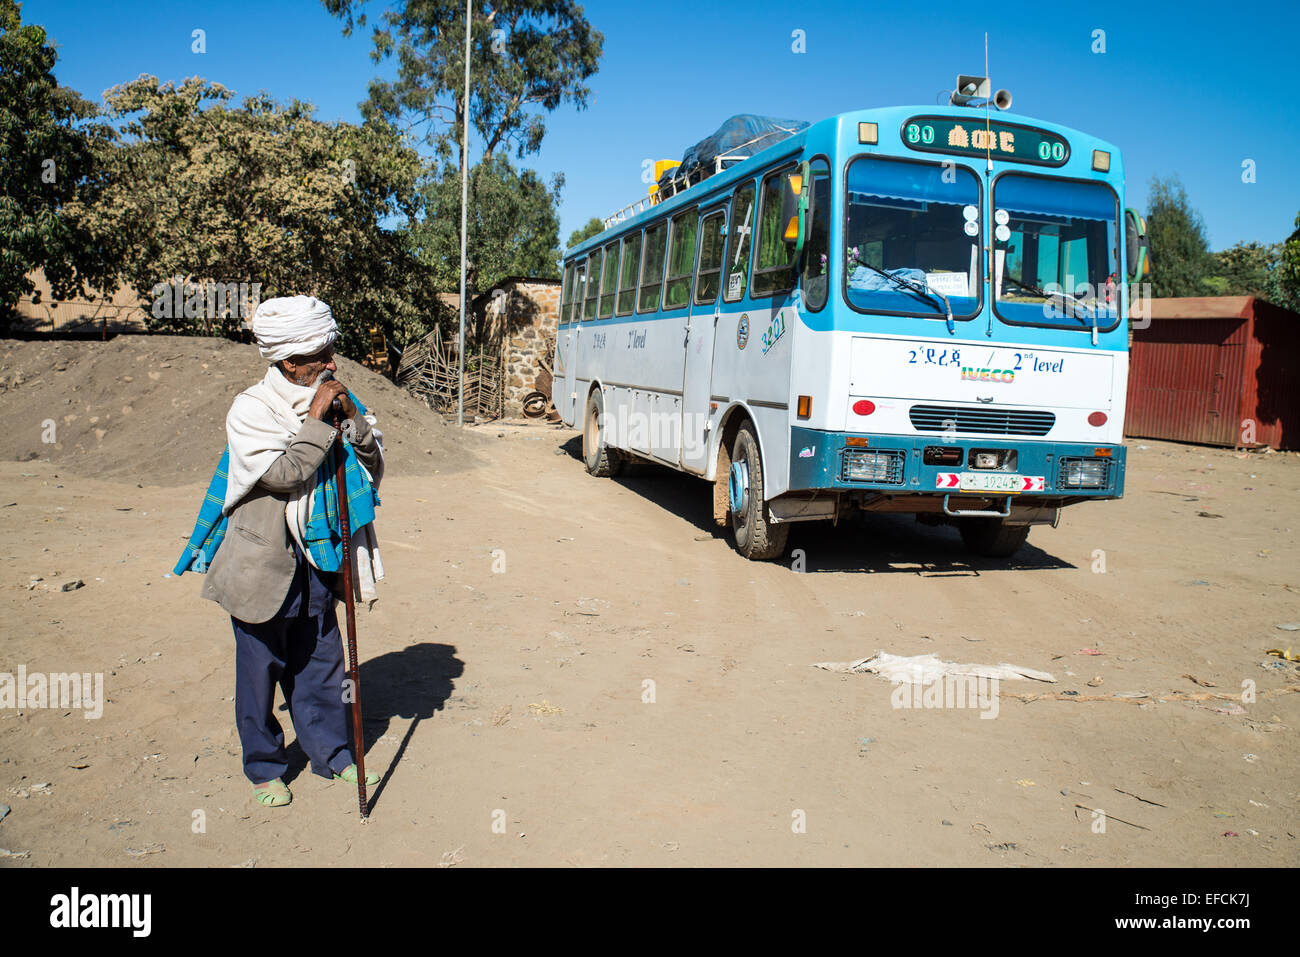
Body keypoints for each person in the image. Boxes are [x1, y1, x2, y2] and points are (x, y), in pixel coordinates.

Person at [178, 295, 384, 807]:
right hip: (261, 565)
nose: (333, 363)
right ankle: (265, 765)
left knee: (321, 664)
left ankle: (332, 753)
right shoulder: (252, 409)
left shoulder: (335, 397)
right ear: (290, 362)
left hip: (318, 558)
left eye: (331, 349)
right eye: (321, 354)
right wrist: (317, 421)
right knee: (259, 672)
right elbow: (281, 474)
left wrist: (354, 424)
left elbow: (373, 456)